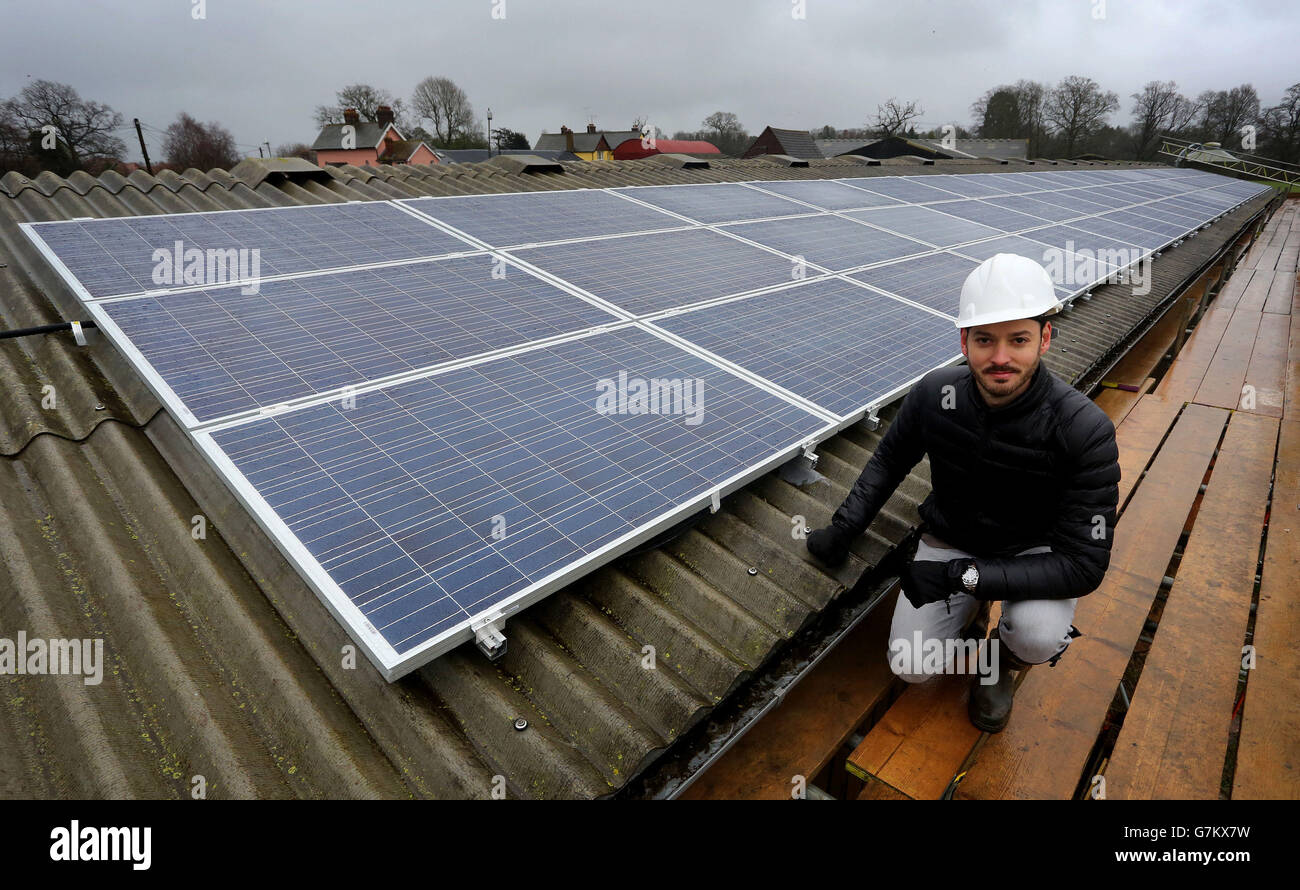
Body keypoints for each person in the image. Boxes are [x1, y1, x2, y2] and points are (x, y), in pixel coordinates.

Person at [805, 253, 1121, 732]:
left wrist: (963, 577)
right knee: (911, 664)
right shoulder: (936, 394)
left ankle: (1000, 661)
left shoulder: (1083, 429)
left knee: (1039, 635)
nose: (1000, 358)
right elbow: (890, 459)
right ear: (964, 341)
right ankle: (972, 610)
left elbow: (1084, 564)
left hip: (1033, 552)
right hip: (954, 536)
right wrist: (843, 529)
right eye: (984, 340)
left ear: (1046, 338)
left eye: (1018, 340)